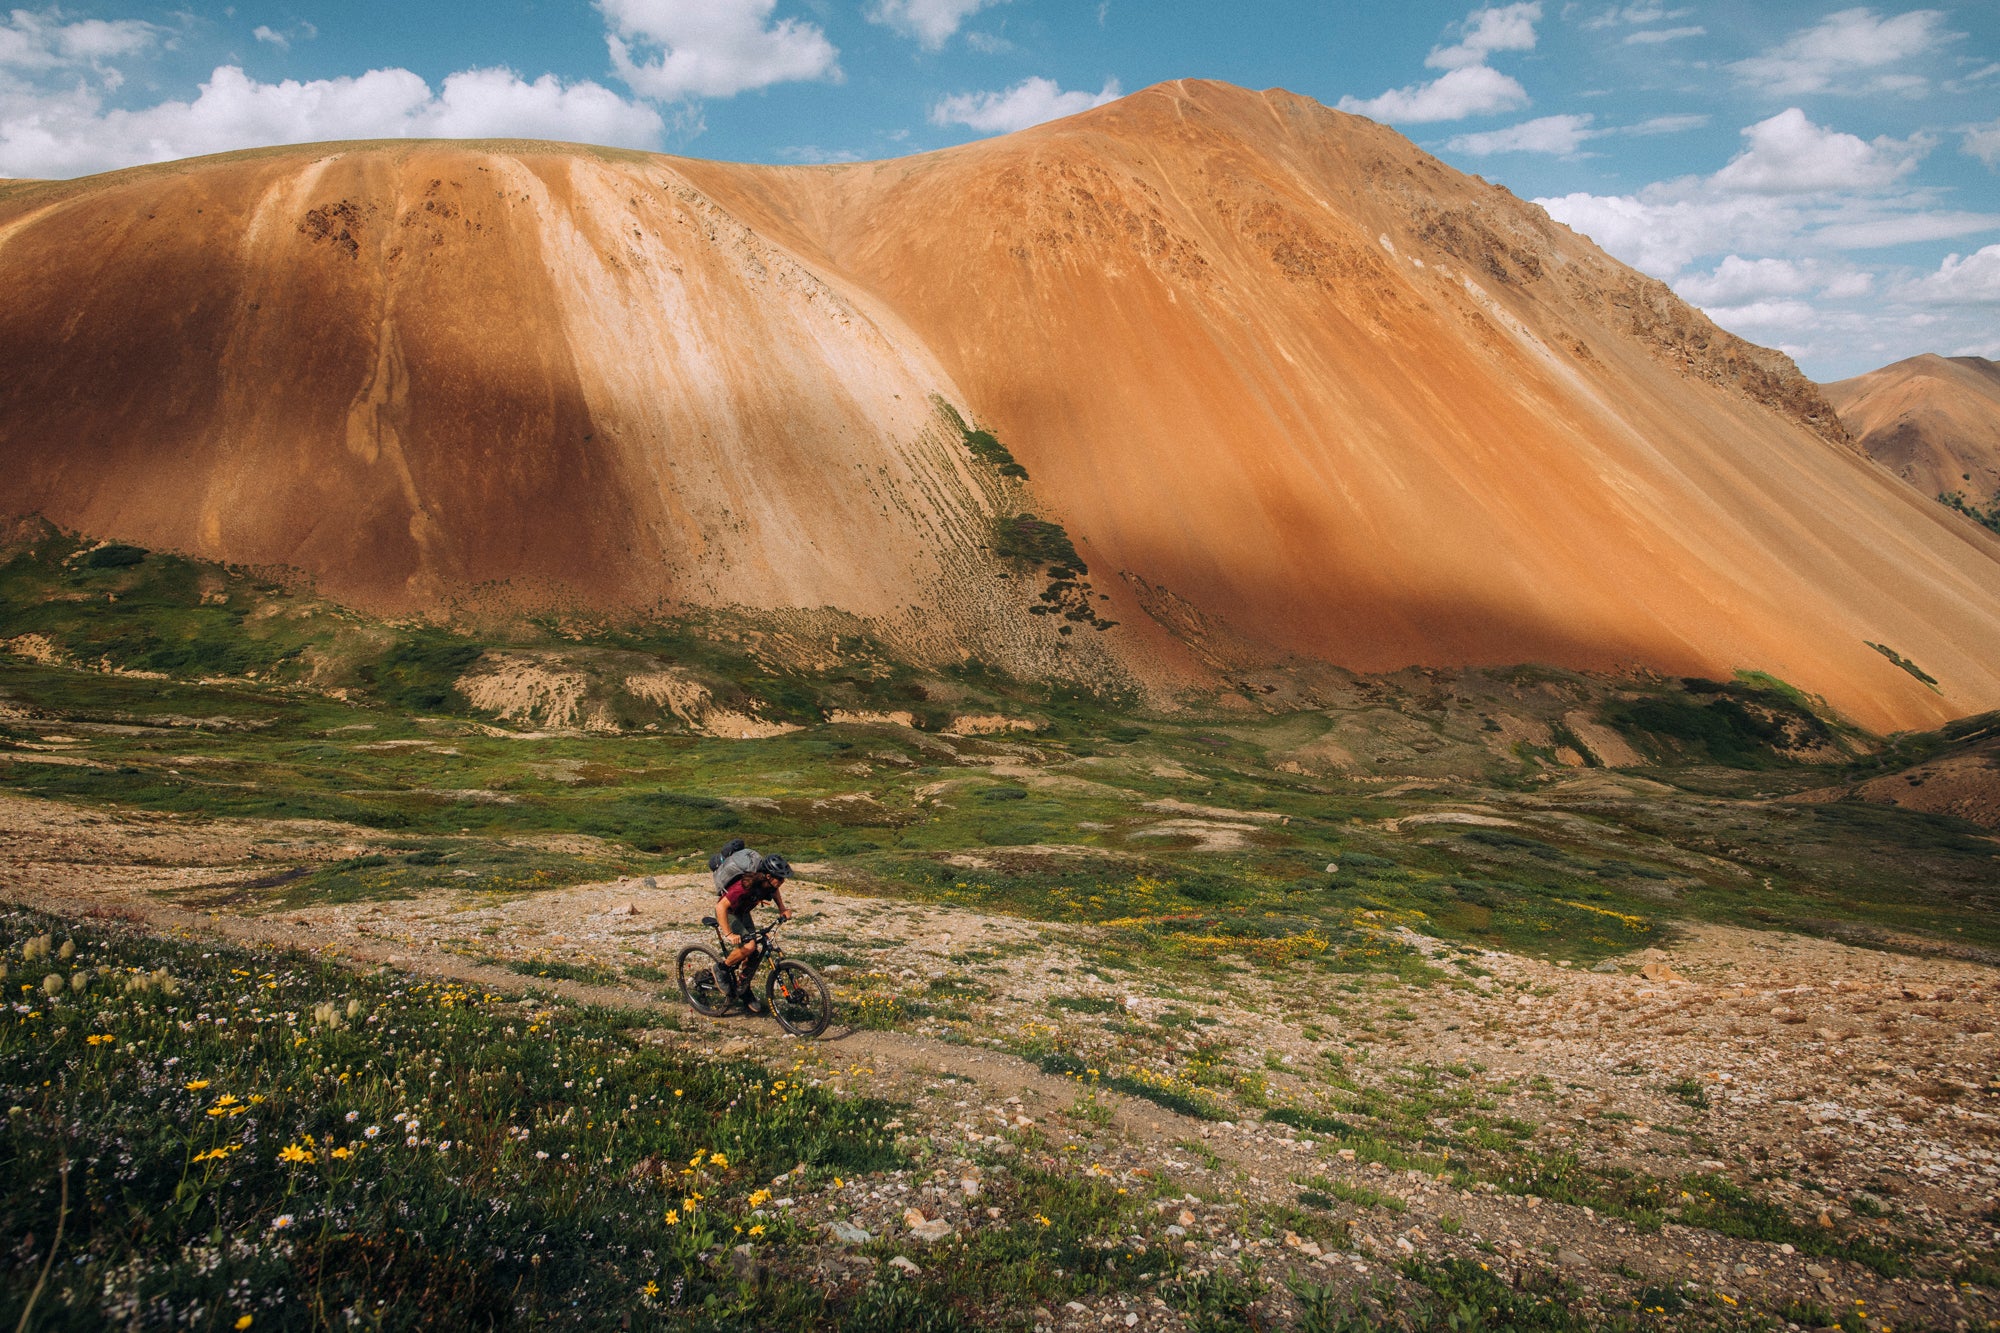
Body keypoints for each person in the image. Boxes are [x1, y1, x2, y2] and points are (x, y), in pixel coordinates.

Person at [714, 851, 792, 1013]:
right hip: (730, 913)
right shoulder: (743, 886)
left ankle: (743, 988)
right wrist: (729, 934)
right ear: (768, 876)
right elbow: (720, 906)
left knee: (754, 954)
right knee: (749, 946)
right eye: (780, 878)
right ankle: (721, 969)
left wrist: (782, 909)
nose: (782, 881)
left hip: (743, 912)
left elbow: (774, 891)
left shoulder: (769, 884)